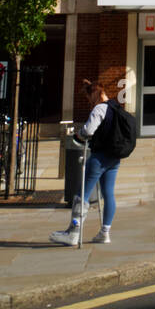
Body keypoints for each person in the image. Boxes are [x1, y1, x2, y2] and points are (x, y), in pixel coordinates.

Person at [52, 80, 123, 245]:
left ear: (93, 94)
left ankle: (73, 233)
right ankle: (105, 232)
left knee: (81, 194)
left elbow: (88, 131)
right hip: (114, 157)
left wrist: (79, 135)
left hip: (99, 157)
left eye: (88, 97)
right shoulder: (115, 107)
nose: (88, 101)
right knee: (108, 193)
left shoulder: (99, 108)